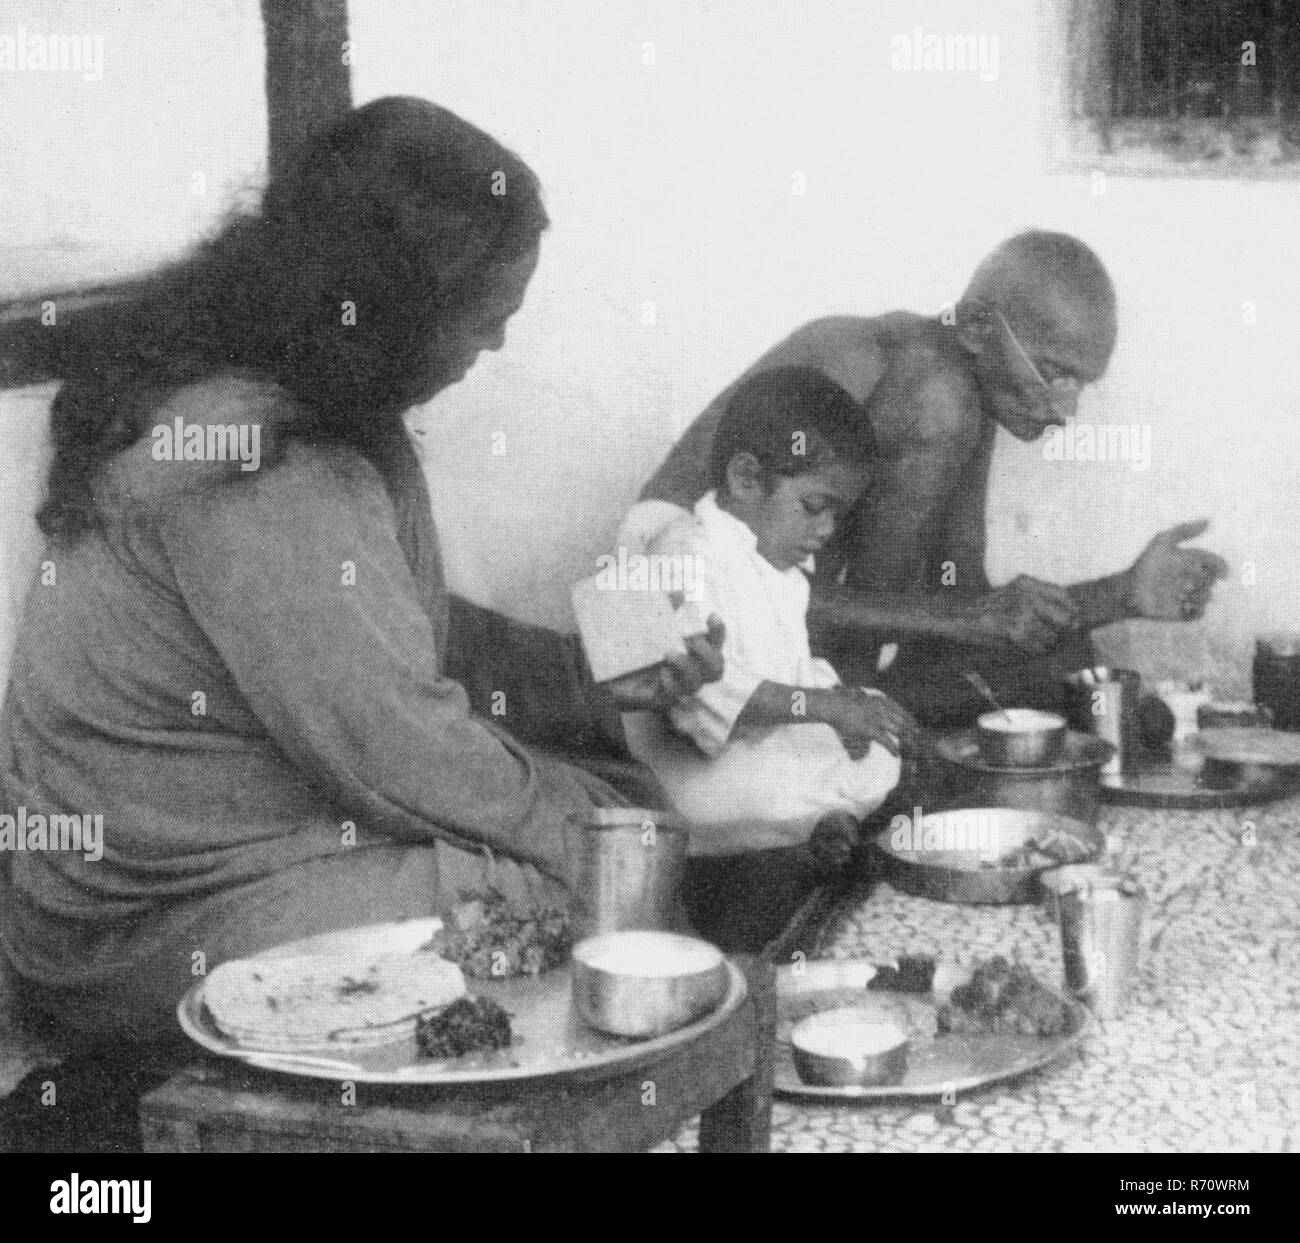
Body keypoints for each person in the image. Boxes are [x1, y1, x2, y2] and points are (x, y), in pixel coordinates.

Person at [0, 97, 723, 1049]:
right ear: (388, 312)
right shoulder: (254, 460)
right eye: (484, 319)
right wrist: (603, 832)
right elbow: (395, 746)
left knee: (609, 813)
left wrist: (593, 674)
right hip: (151, 923)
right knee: (585, 884)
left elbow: (392, 639)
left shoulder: (275, 389)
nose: (496, 344)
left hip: (260, 848)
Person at [625, 231, 1229, 727]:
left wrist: (1119, 595)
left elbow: (961, 598)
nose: (1064, 409)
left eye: (1079, 385)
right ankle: (853, 729)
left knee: (1065, 661)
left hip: (792, 646)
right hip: (684, 640)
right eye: (1052, 373)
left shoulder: (967, 396)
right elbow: (754, 588)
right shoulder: (905, 382)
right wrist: (971, 624)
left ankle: (860, 721)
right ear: (975, 329)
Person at [621, 366, 916, 863]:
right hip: (701, 771)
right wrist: (824, 708)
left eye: (838, 515)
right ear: (746, 479)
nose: (825, 530)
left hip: (771, 740)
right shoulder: (684, 555)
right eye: (814, 507)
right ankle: (820, 827)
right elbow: (702, 701)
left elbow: (795, 672)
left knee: (874, 720)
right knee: (775, 784)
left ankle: (824, 825)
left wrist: (838, 701)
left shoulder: (780, 569)